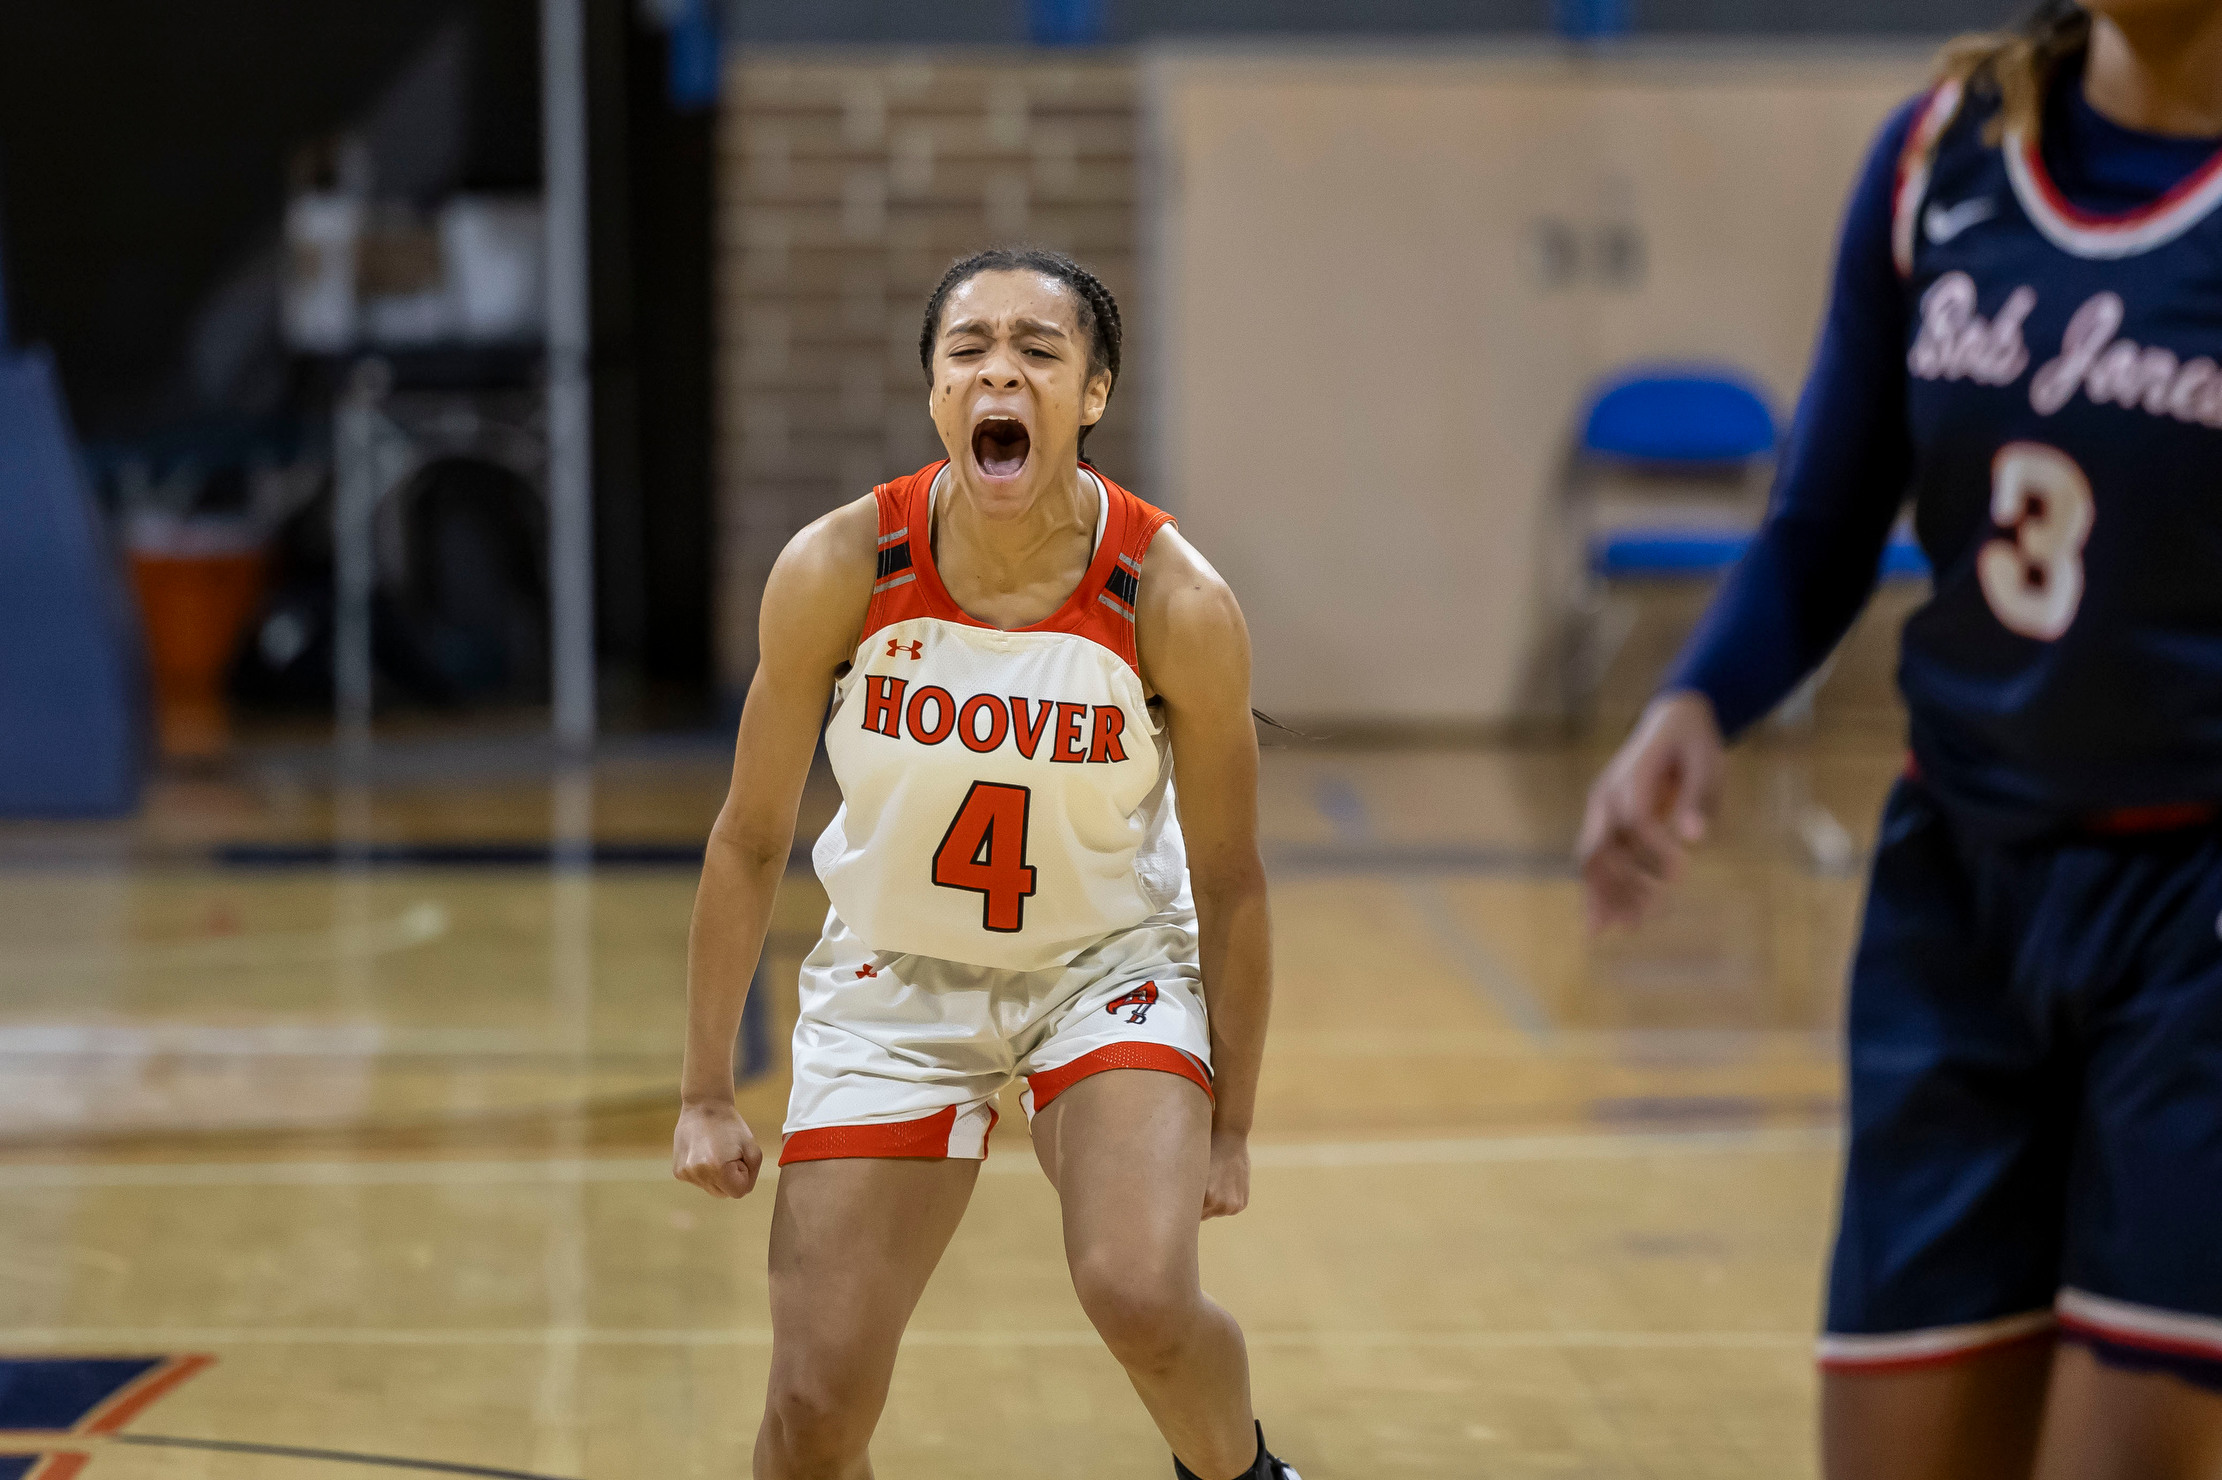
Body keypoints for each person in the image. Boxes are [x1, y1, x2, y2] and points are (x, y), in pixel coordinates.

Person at [1578, 2, 2222, 1476]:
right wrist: (1695, 700)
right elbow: (1823, 510)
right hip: (1960, 892)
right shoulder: (1941, 154)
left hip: (2191, 912)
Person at [672, 246, 1298, 1480]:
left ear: (1093, 393)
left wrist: (1231, 1124)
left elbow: (1231, 879)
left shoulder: (1170, 598)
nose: (997, 372)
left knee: (1139, 1294)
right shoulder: (840, 568)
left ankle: (1241, 1477)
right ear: (934, 394)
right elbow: (748, 839)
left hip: (1102, 966)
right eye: (967, 350)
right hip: (896, 977)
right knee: (809, 1412)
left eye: (1036, 351)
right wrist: (702, 1089)